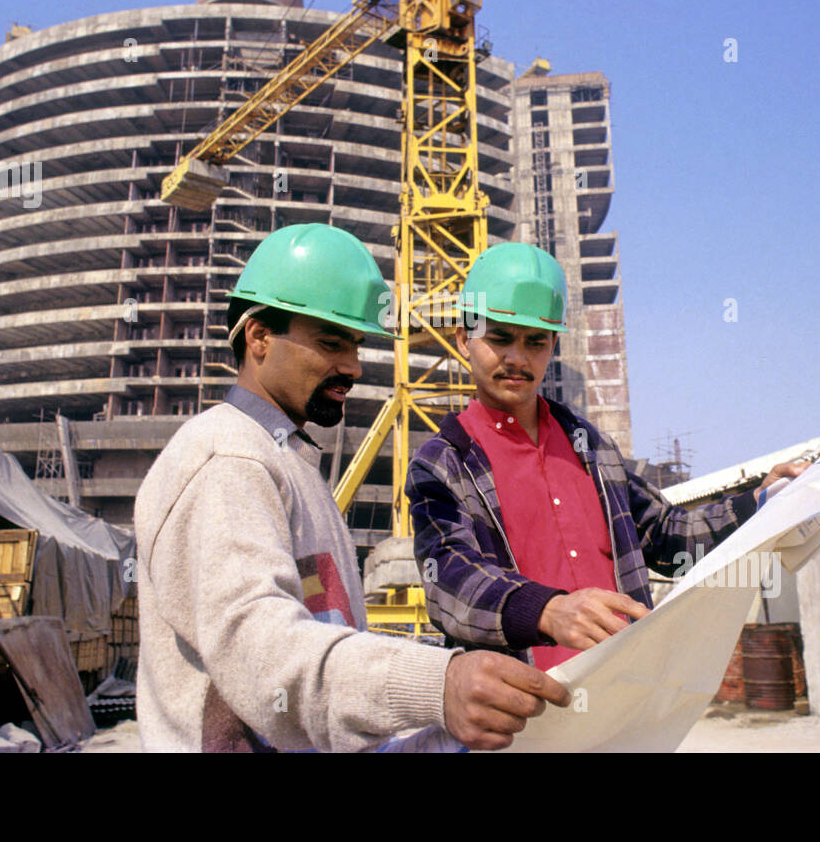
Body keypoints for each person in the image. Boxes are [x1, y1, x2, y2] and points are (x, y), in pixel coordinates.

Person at [134, 223, 569, 752]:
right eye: (331, 343)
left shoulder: (287, 461)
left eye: (357, 345)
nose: (353, 366)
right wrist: (437, 684)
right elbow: (262, 655)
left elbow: (316, 674)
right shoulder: (228, 459)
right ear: (259, 337)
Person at [408, 242, 808, 670]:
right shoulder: (444, 462)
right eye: (500, 338)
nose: (518, 359)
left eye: (536, 342)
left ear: (553, 345)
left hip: (623, 691)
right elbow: (449, 578)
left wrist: (759, 503)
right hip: (523, 710)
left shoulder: (591, 448)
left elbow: (666, 533)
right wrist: (545, 611)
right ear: (463, 338)